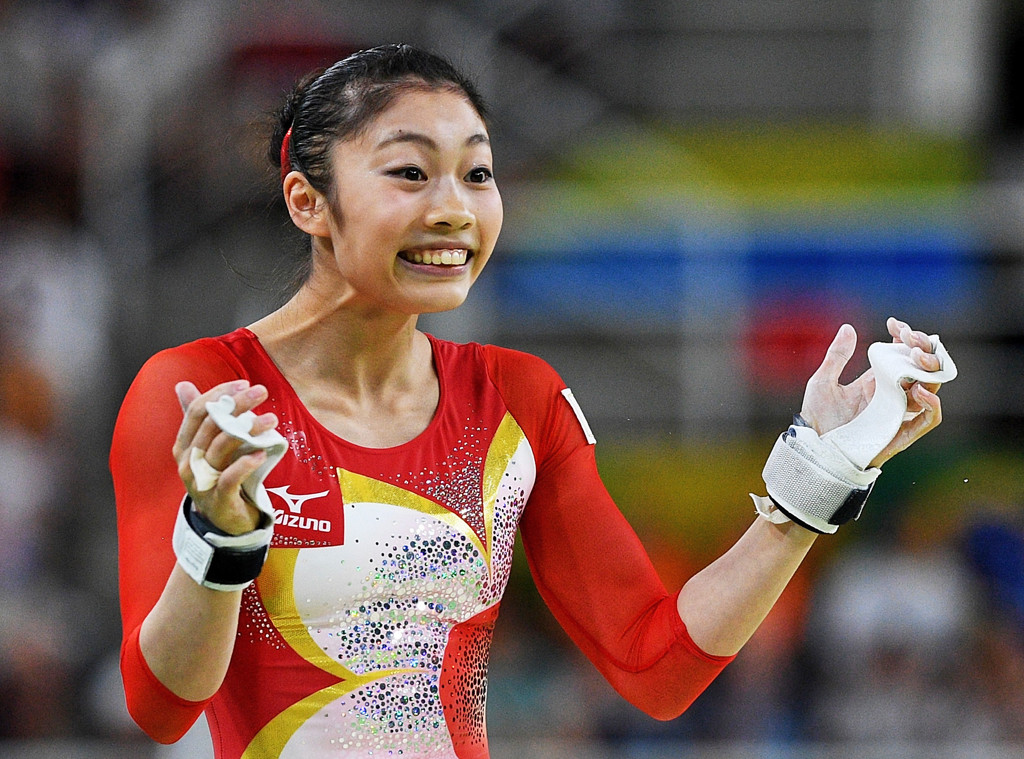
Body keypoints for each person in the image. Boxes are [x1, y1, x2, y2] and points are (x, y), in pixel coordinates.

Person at [110, 44, 950, 759]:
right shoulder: (207, 396)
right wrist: (219, 537)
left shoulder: (515, 398)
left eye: (477, 173)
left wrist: (819, 472)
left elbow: (654, 664)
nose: (454, 209)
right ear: (308, 201)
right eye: (410, 173)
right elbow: (160, 706)